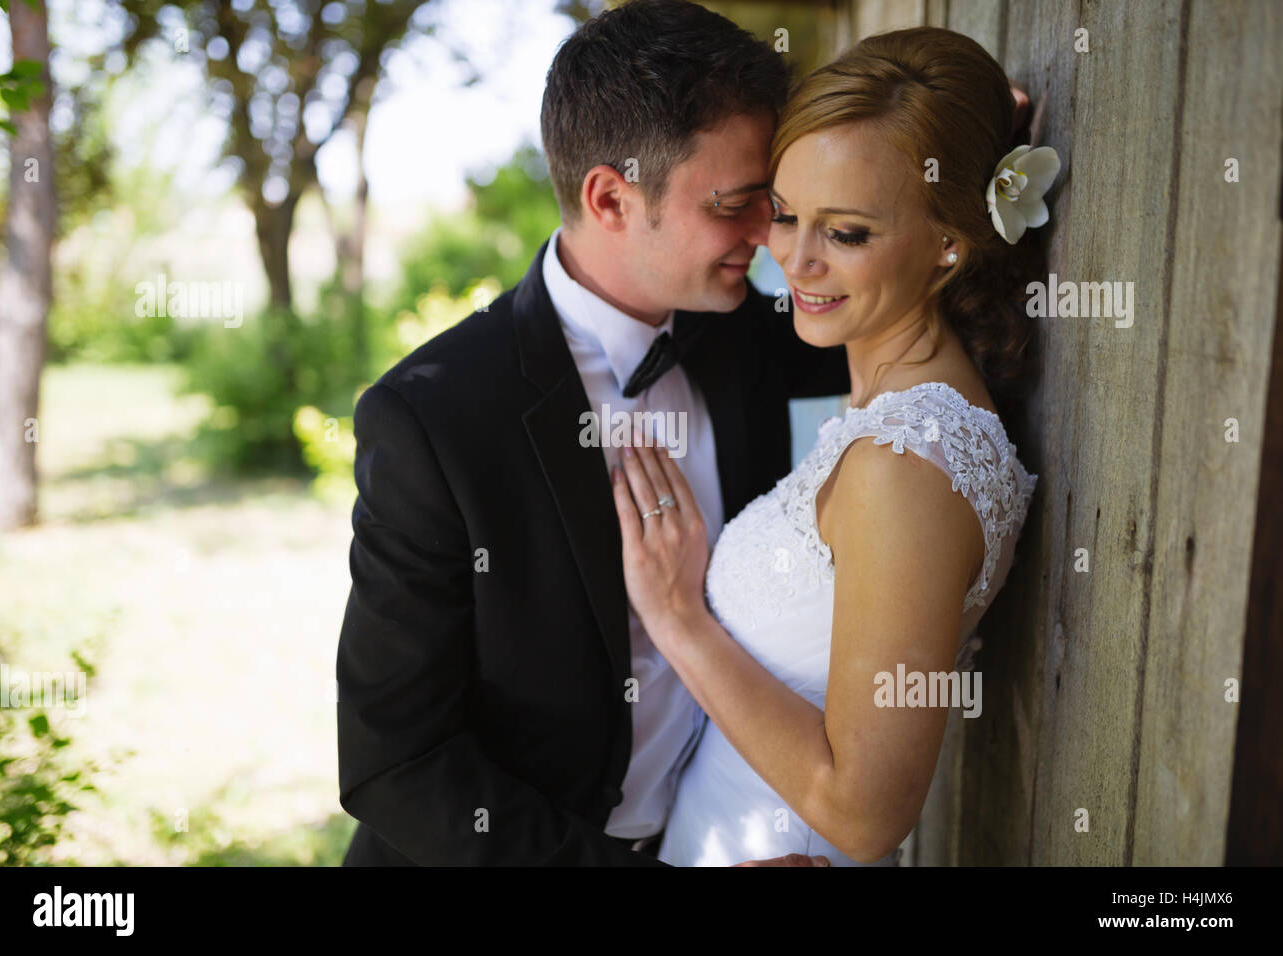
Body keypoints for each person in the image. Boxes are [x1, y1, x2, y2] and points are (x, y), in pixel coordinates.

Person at [336, 0, 850, 866]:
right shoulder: (433, 419)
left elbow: (896, 319)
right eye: (736, 204)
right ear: (610, 197)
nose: (768, 235)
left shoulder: (744, 325)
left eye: (773, 200)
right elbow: (398, 763)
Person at [610, 26, 1054, 865]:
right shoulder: (889, 412)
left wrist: (678, 619)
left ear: (952, 240)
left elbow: (863, 812)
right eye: (783, 214)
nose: (795, 260)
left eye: (846, 233)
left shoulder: (906, 467)